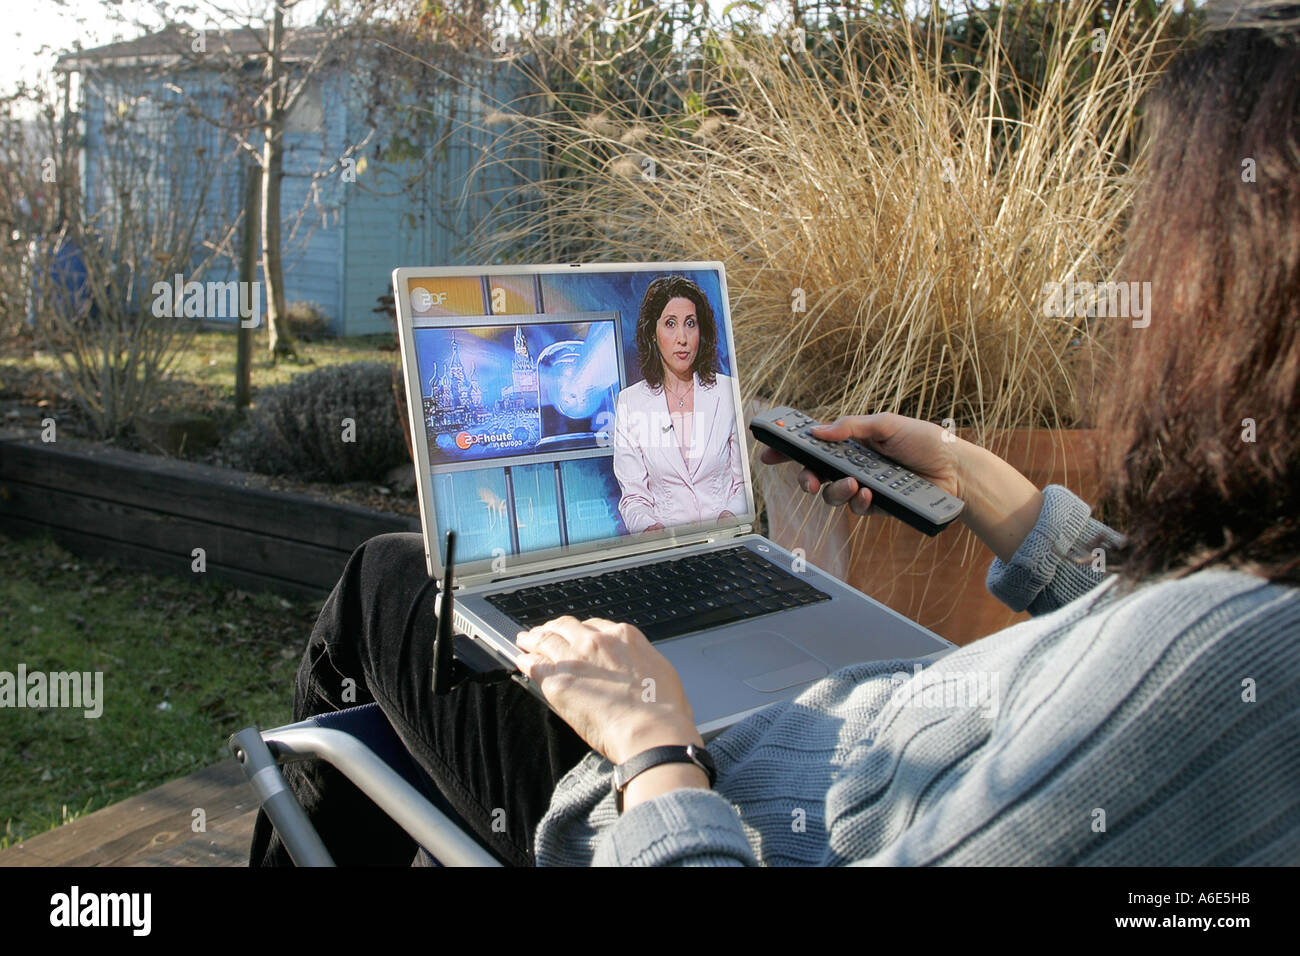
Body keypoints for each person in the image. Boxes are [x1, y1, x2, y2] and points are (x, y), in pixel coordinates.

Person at [250, 1, 1299, 867]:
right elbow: (1170, 612)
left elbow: (1177, 664)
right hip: (829, 724)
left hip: (696, 797)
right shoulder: (1253, 603)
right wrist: (1001, 496)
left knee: (386, 583)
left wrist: (651, 744)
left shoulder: (1213, 674)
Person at [611, 275, 747, 534]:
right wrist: (651, 529)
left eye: (690, 324)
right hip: (668, 550)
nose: (682, 338)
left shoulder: (729, 392)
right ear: (653, 333)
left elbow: (743, 485)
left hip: (726, 541)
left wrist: (730, 518)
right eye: (670, 324)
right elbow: (634, 499)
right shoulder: (630, 403)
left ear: (701, 331)